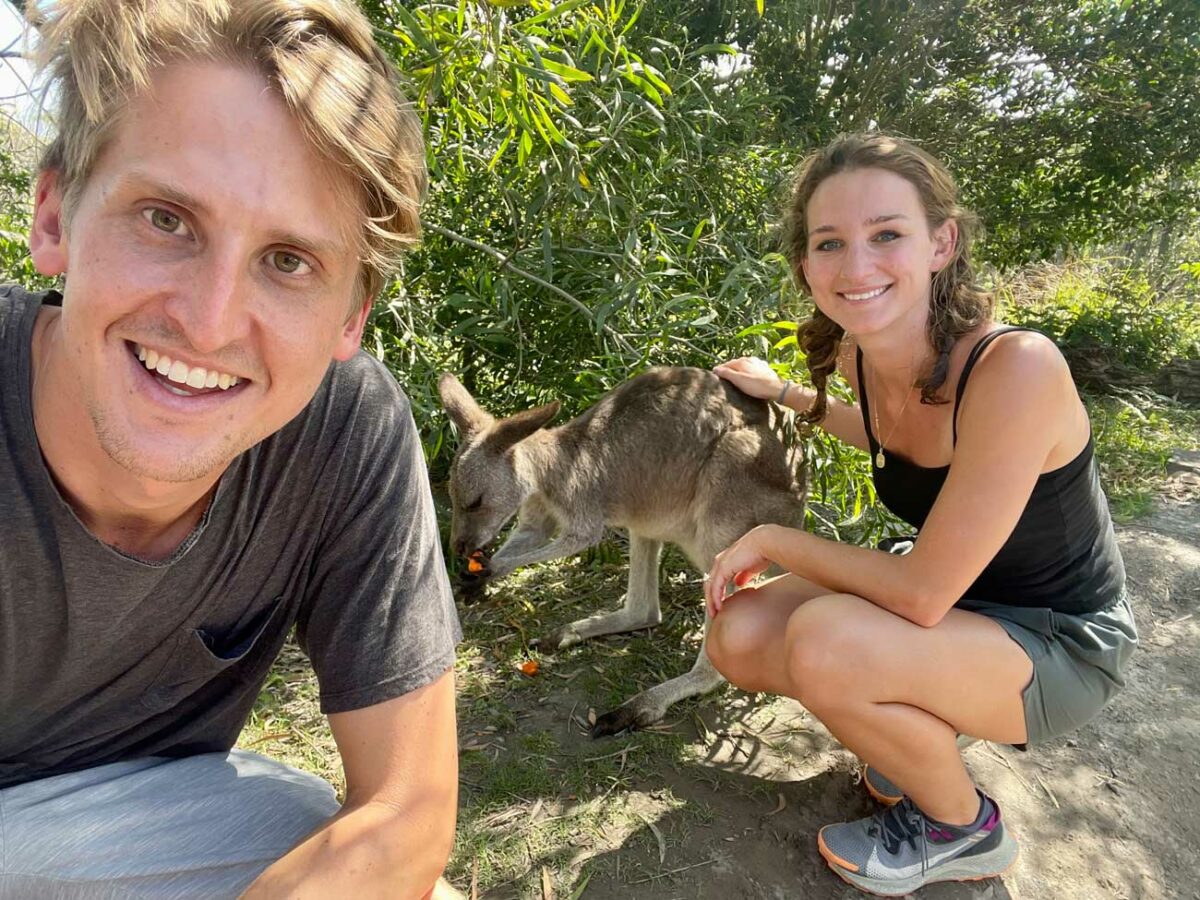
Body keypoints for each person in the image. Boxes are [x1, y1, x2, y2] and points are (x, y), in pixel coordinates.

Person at [0, 1, 462, 897]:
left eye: (288, 261)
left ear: (351, 317)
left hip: (111, 825)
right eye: (166, 219)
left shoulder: (342, 438)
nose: (209, 324)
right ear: (54, 214)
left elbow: (406, 811)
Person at [706, 133, 1136, 896]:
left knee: (827, 643)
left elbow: (920, 596)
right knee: (738, 634)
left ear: (942, 242)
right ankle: (912, 740)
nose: (855, 266)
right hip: (963, 607)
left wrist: (774, 538)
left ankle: (962, 829)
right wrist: (787, 395)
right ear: (805, 265)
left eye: (887, 235)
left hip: (1056, 638)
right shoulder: (858, 357)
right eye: (829, 242)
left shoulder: (1016, 369)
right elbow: (888, 433)